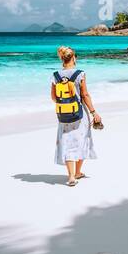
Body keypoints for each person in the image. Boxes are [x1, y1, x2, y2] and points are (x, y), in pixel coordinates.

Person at [51, 46, 101, 186]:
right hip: (80, 114)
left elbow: (54, 97)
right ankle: (77, 172)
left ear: (62, 58)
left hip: (63, 115)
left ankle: (72, 176)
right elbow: (85, 95)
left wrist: (65, 103)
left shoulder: (55, 75)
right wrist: (93, 112)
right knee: (81, 140)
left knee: (67, 142)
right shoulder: (80, 74)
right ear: (74, 58)